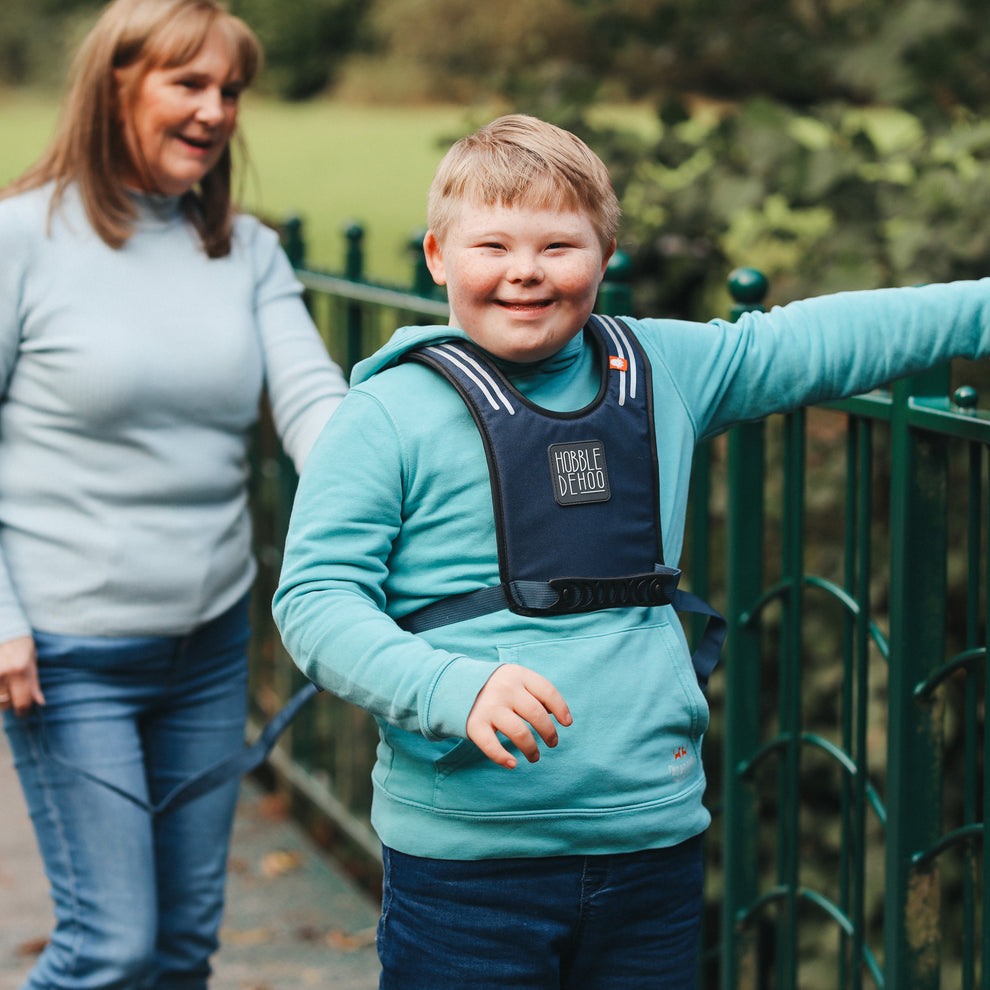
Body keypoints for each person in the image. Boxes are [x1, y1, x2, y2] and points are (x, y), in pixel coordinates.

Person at [272, 113, 990, 990]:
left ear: (604, 257)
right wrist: (449, 688)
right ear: (436, 256)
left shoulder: (660, 370)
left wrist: (981, 309)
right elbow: (313, 601)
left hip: (651, 845)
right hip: (468, 867)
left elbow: (812, 343)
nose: (525, 271)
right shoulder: (386, 415)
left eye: (558, 245)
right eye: (491, 244)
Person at [0, 0, 348, 987]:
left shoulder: (244, 250)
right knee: (110, 947)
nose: (215, 110)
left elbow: (314, 402)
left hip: (207, 645)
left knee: (184, 949)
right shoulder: (21, 239)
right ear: (116, 86)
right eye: (188, 84)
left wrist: (392, 489)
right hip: (69, 658)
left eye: (230, 90)